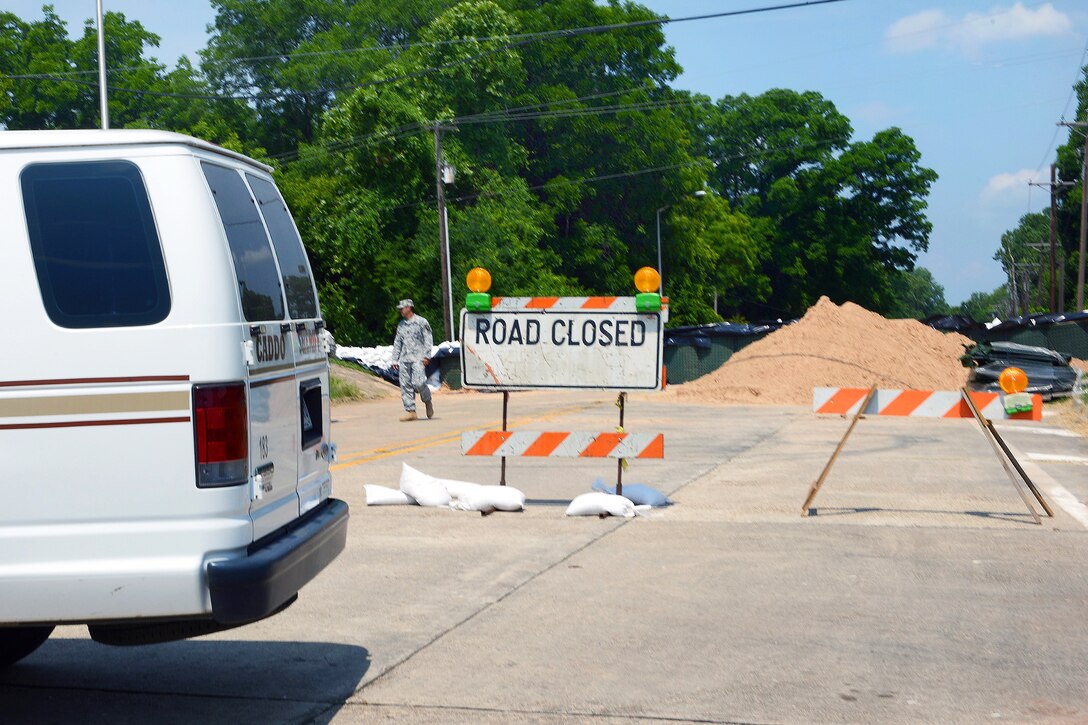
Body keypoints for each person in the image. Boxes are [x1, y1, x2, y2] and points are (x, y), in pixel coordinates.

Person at [391, 299, 434, 422]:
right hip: (405, 359)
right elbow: (398, 342)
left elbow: (428, 339)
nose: (400, 310)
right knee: (405, 385)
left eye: (402, 308)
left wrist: (427, 356)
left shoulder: (421, 322)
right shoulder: (401, 325)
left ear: (409, 308)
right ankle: (411, 411)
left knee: (418, 383)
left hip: (418, 359)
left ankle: (427, 400)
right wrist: (395, 359)